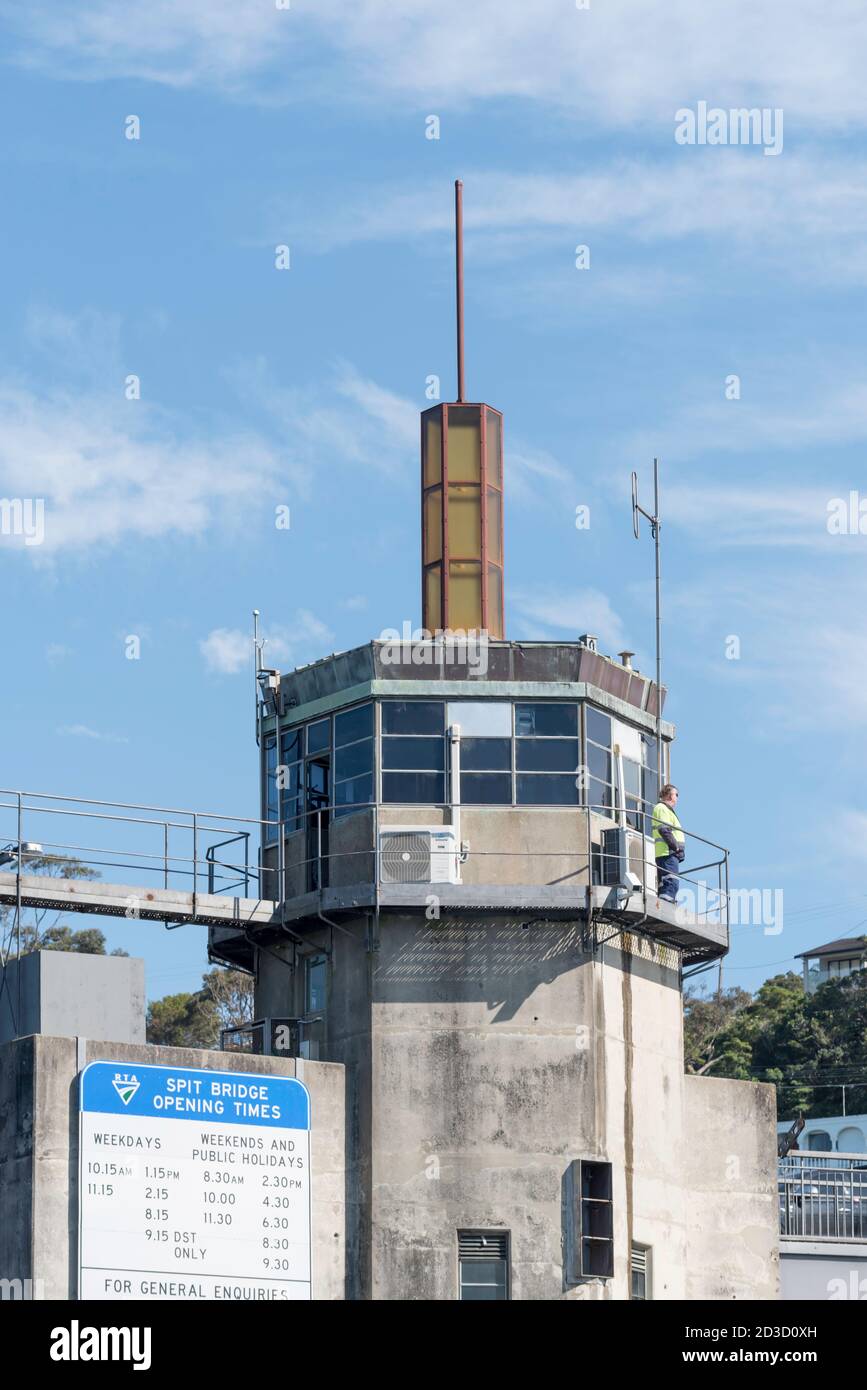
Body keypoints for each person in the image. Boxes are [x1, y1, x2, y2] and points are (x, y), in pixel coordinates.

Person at [652, 783, 685, 902]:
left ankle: (666, 902)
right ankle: (667, 905)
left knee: (668, 882)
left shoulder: (667, 811)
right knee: (671, 882)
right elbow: (664, 830)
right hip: (667, 852)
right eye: (676, 794)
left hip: (669, 853)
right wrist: (675, 847)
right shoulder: (662, 808)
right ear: (670, 795)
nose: (677, 798)